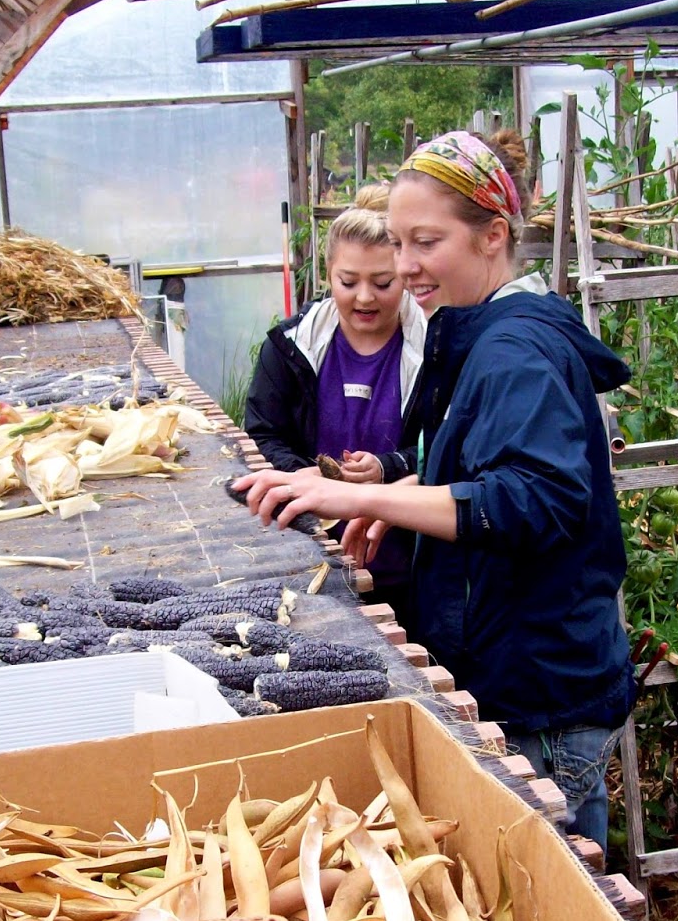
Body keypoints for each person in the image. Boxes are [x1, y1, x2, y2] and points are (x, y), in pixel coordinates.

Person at [234, 130, 635, 852]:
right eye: (398, 242)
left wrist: (369, 499)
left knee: (563, 902)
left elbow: (536, 499)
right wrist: (411, 493)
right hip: (518, 670)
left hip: (539, 693)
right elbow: (487, 472)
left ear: (494, 236)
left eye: (426, 242)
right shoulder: (486, 333)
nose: (407, 266)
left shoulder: (517, 351)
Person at [244, 185, 426, 623]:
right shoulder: (290, 347)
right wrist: (303, 474)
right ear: (328, 274)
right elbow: (262, 431)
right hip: (309, 564)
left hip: (408, 565)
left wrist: (389, 466)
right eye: (349, 282)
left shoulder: (432, 349)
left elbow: (447, 447)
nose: (365, 297)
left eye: (383, 283)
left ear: (404, 273)